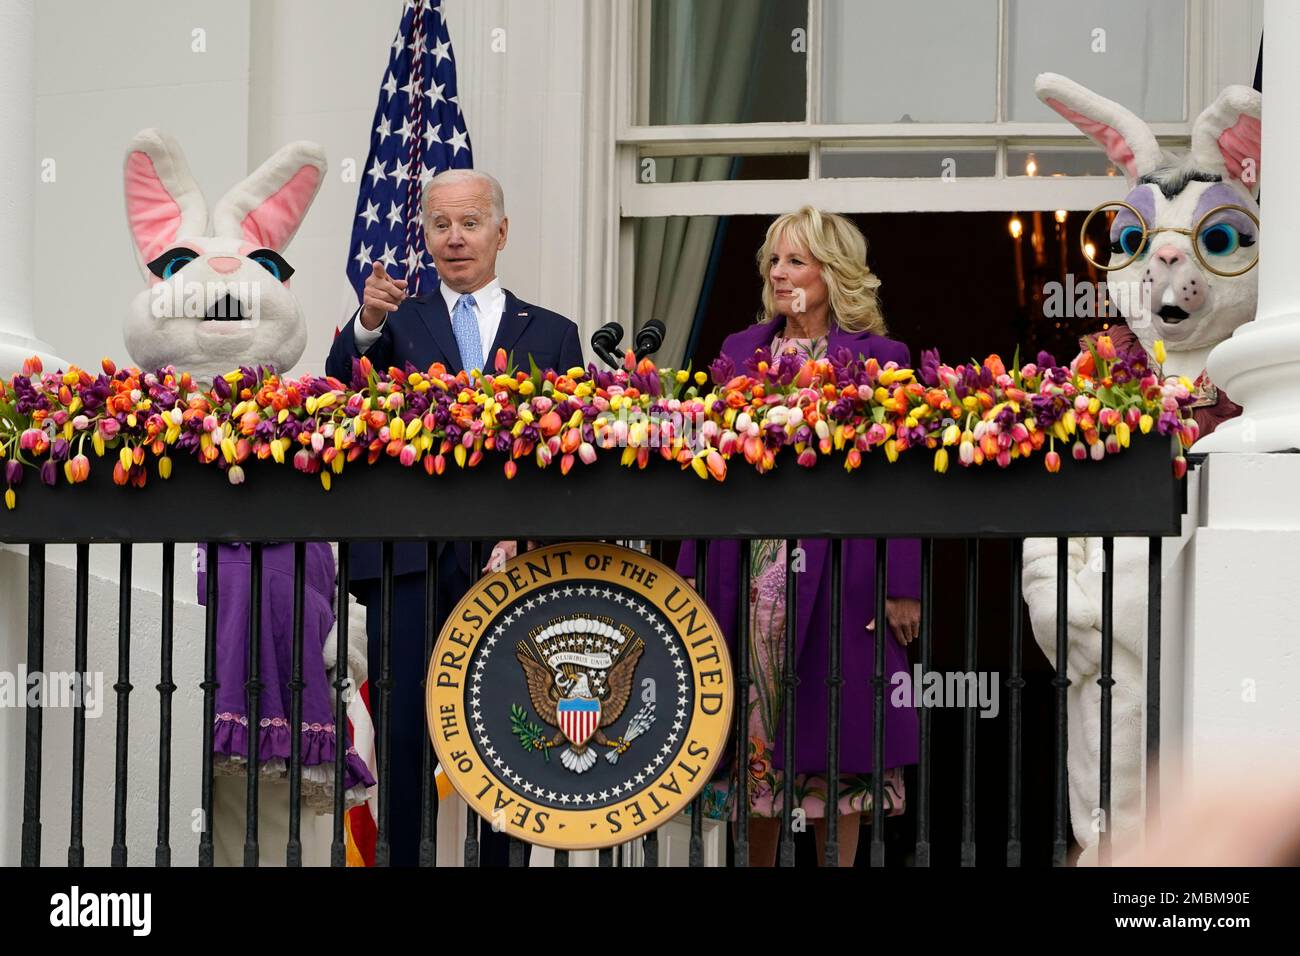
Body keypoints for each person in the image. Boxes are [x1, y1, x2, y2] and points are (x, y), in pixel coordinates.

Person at [325, 168, 584, 865]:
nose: (455, 237)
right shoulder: (394, 323)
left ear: (501, 232)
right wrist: (367, 325)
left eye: (470, 223)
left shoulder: (555, 335)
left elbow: (569, 457)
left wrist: (526, 535)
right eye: (440, 225)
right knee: (404, 731)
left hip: (512, 567)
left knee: (513, 726)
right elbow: (340, 393)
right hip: (407, 563)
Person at [677, 206, 921, 867]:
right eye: (774, 261)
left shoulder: (882, 358)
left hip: (844, 577)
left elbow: (898, 477)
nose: (780, 274)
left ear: (832, 271)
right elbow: (707, 464)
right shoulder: (740, 352)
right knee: (752, 739)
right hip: (749, 574)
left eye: (796, 260)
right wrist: (690, 568)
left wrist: (902, 585)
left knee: (837, 743)